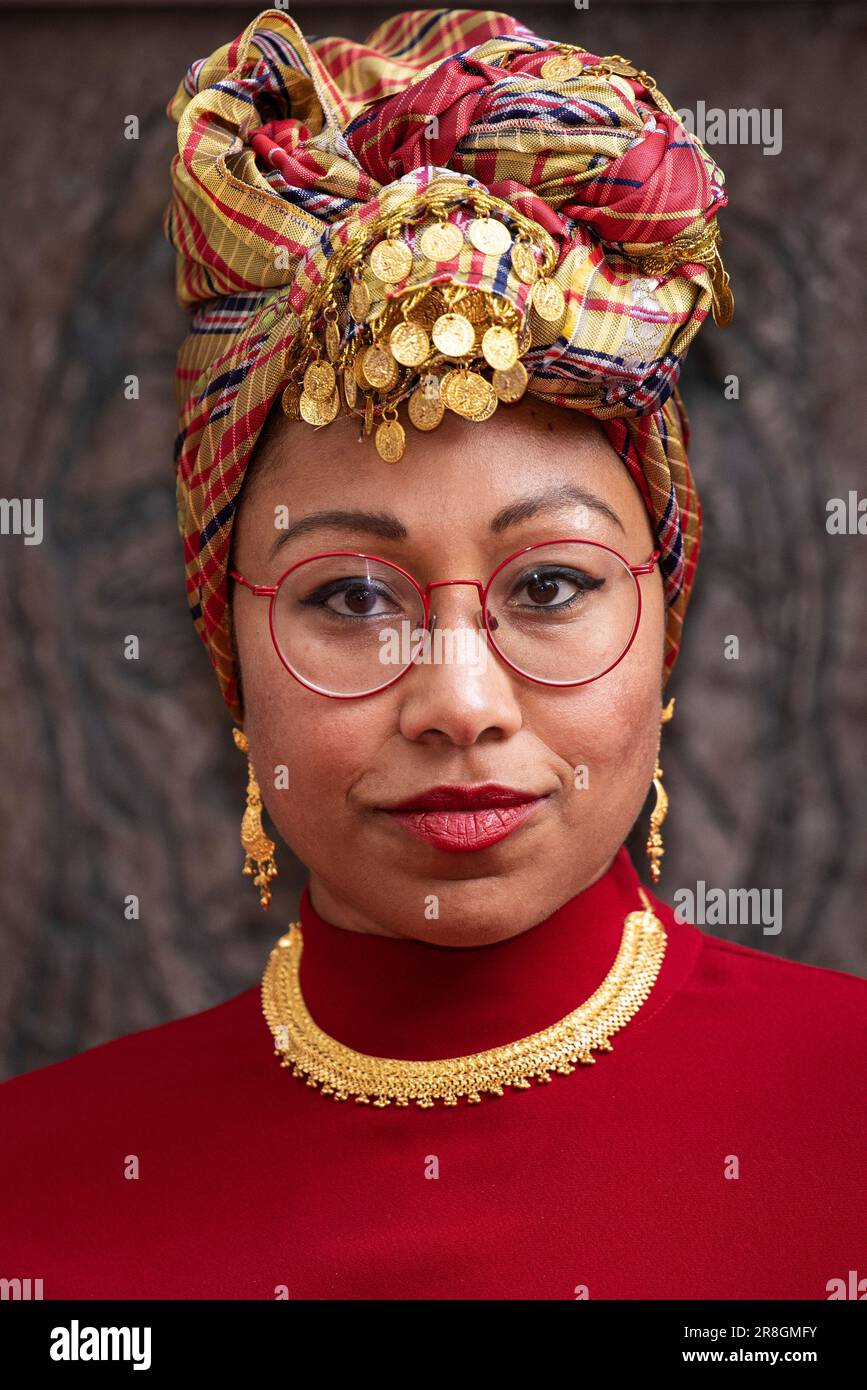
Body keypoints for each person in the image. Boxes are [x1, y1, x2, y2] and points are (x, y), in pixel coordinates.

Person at [0, 7, 862, 1301]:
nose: (459, 700)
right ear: (223, 640)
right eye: (349, 596)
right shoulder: (37, 1195)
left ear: (666, 629)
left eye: (554, 584)